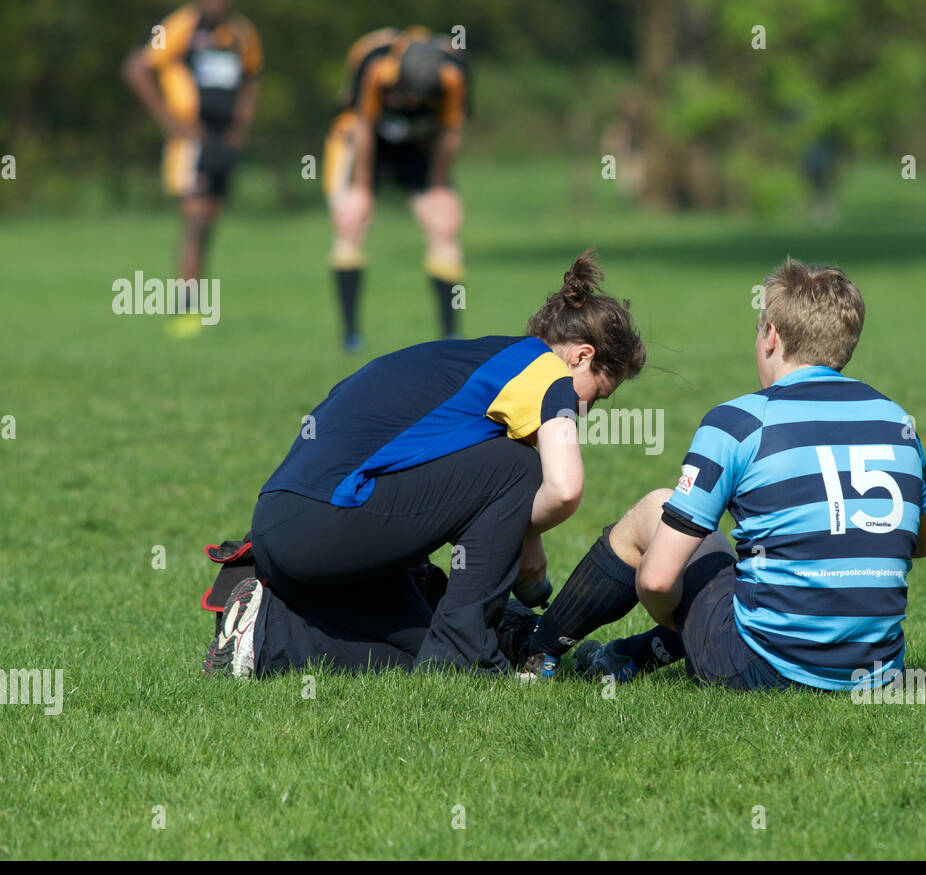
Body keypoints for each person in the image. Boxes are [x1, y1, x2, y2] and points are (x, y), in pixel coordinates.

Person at [202, 250, 646, 679]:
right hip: (321, 521)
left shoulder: (478, 363)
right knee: (519, 467)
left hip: (283, 526)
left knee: (422, 646)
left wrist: (522, 538)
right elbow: (564, 488)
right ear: (582, 356)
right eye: (599, 395)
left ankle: (264, 635)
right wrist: (528, 533)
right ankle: (466, 654)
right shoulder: (547, 371)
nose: (588, 409)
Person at [513, 259, 926, 691]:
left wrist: (682, 617)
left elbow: (657, 580)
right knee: (746, 570)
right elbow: (925, 544)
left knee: (659, 511)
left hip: (760, 668)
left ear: (771, 336)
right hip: (877, 670)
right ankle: (629, 655)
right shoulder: (898, 422)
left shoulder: (739, 421)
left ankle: (540, 648)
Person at [323, 26, 469, 351]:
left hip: (420, 144)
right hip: (365, 139)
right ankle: (351, 336)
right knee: (351, 219)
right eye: (409, 93)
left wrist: (436, 185)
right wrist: (361, 188)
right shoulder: (374, 62)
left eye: (422, 95)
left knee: (443, 221)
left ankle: (451, 337)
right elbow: (362, 124)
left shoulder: (455, 73)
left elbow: (451, 132)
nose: (414, 100)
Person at [123, 0, 262, 338]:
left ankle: (194, 303)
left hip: (222, 143)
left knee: (209, 222)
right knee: (196, 219)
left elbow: (252, 78)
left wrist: (240, 128)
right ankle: (184, 310)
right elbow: (136, 67)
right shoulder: (180, 26)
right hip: (191, 143)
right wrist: (171, 122)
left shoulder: (242, 32)